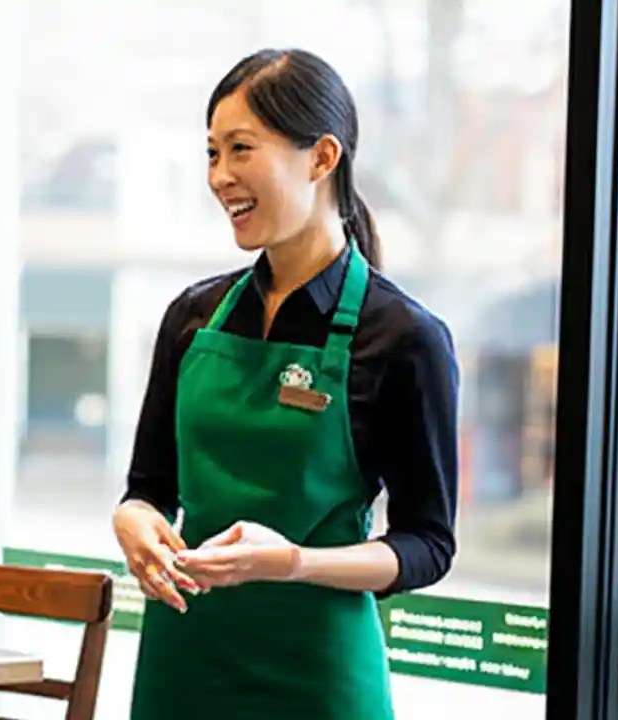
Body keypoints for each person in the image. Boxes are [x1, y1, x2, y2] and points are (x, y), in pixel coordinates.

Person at [113, 49, 460, 719]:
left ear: (322, 157)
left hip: (318, 680)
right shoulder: (191, 317)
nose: (219, 176)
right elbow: (147, 489)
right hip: (183, 664)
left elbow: (427, 545)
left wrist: (296, 562)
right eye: (212, 153)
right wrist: (133, 522)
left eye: (241, 149)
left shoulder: (404, 339)